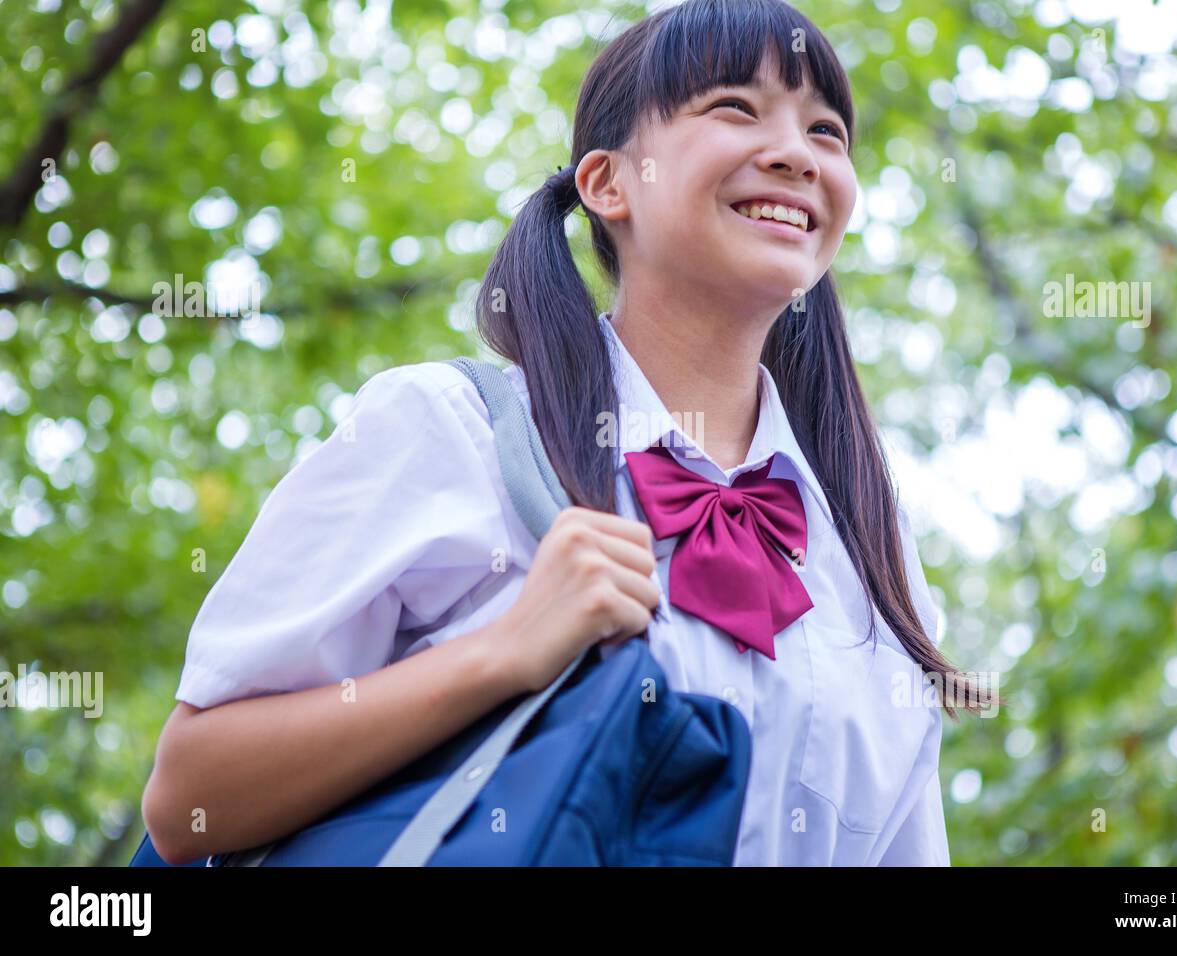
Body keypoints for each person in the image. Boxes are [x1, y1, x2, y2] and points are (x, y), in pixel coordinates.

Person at [142, 0, 979, 867]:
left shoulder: (873, 552)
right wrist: (503, 652)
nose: (795, 155)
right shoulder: (450, 430)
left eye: (826, 132)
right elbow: (189, 796)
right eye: (736, 107)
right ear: (607, 184)